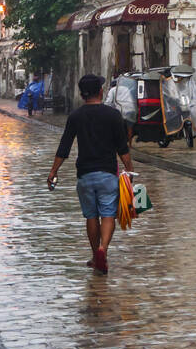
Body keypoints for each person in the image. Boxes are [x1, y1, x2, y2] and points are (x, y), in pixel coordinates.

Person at [47, 74, 133, 275]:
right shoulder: (113, 115)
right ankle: (103, 249)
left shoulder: (75, 117)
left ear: (81, 94)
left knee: (91, 216)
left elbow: (64, 147)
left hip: (85, 175)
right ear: (101, 92)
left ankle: (96, 257)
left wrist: (53, 171)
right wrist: (129, 170)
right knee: (108, 214)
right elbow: (123, 149)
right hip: (108, 175)